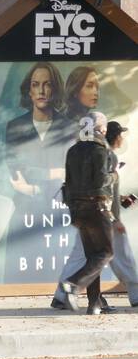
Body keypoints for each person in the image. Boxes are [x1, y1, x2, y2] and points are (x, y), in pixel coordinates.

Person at [52, 120, 138, 311]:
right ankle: (73, 288)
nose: (122, 138)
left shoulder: (82, 152)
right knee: (113, 255)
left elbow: (93, 186)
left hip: (84, 211)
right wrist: (115, 218)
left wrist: (120, 198)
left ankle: (75, 299)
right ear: (112, 135)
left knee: (85, 257)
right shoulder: (105, 154)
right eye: (120, 134)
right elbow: (102, 185)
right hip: (102, 214)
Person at [2, 63, 74, 280]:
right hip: (25, 213)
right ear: (29, 90)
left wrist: (35, 184)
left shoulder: (70, 127)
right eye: (35, 84)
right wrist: (55, 173)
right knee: (20, 275)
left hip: (59, 212)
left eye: (47, 84)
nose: (41, 90)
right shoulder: (15, 126)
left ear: (55, 89)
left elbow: (71, 171)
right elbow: (17, 171)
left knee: (58, 272)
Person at [60, 110, 116, 314]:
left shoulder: (73, 150)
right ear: (101, 129)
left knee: (93, 256)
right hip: (97, 207)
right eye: (105, 127)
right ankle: (73, 284)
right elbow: (101, 181)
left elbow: (68, 182)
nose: (105, 131)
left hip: (78, 210)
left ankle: (94, 304)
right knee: (106, 252)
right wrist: (114, 175)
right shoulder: (100, 150)